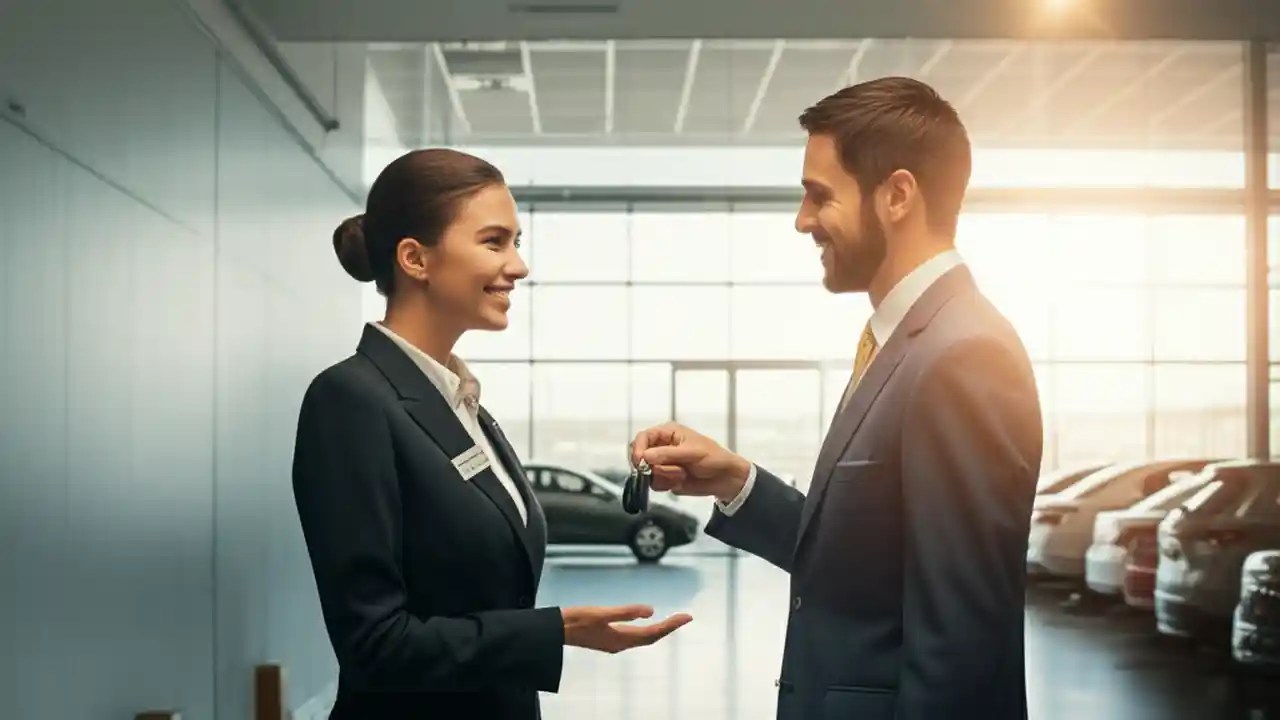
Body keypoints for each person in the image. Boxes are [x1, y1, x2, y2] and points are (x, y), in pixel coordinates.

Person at [631, 77, 1043, 720]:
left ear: (897, 195)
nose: (802, 221)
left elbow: (960, 647)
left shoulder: (963, 355)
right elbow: (867, 563)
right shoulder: (905, 342)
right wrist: (736, 481)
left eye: (819, 196)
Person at [291, 148, 691, 720]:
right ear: (415, 258)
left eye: (516, 243)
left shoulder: (460, 402)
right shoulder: (350, 402)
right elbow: (373, 647)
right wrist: (554, 631)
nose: (519, 266)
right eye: (493, 241)